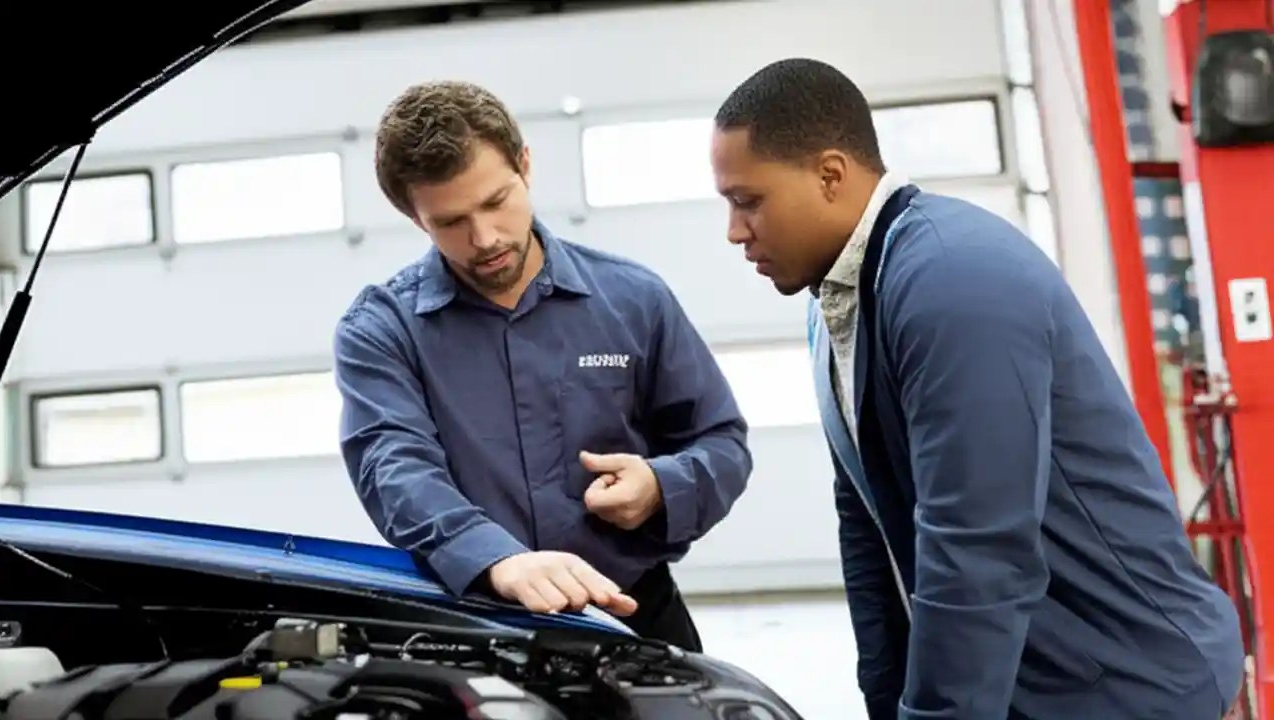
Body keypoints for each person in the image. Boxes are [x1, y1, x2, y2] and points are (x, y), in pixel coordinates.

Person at [708, 57, 1245, 720]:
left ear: (829, 176)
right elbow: (869, 521)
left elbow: (979, 547)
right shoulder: (838, 304)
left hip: (1135, 687)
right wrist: (890, 700)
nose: (734, 231)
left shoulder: (951, 279)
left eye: (747, 201)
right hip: (1035, 687)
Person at [331, 79, 751, 652]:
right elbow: (395, 470)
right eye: (450, 222)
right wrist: (496, 557)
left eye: (496, 201)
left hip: (634, 618)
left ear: (524, 165)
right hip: (470, 633)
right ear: (414, 217)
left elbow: (722, 443)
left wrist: (660, 486)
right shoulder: (382, 330)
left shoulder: (634, 299)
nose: (485, 238)